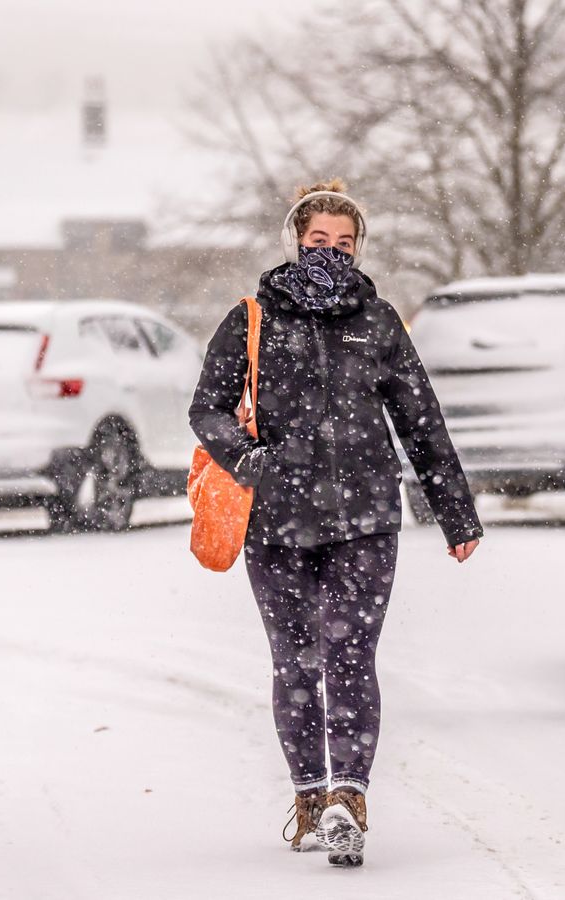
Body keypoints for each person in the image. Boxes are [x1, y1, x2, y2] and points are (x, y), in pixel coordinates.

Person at [189, 180, 482, 868]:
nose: (331, 252)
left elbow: (421, 422)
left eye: (344, 243)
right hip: (276, 520)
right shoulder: (253, 319)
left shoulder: (377, 321)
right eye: (318, 240)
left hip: (365, 518)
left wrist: (456, 514)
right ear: (296, 242)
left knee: (350, 655)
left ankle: (349, 798)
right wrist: (250, 460)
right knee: (296, 663)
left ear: (359, 248)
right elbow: (207, 409)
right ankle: (310, 797)